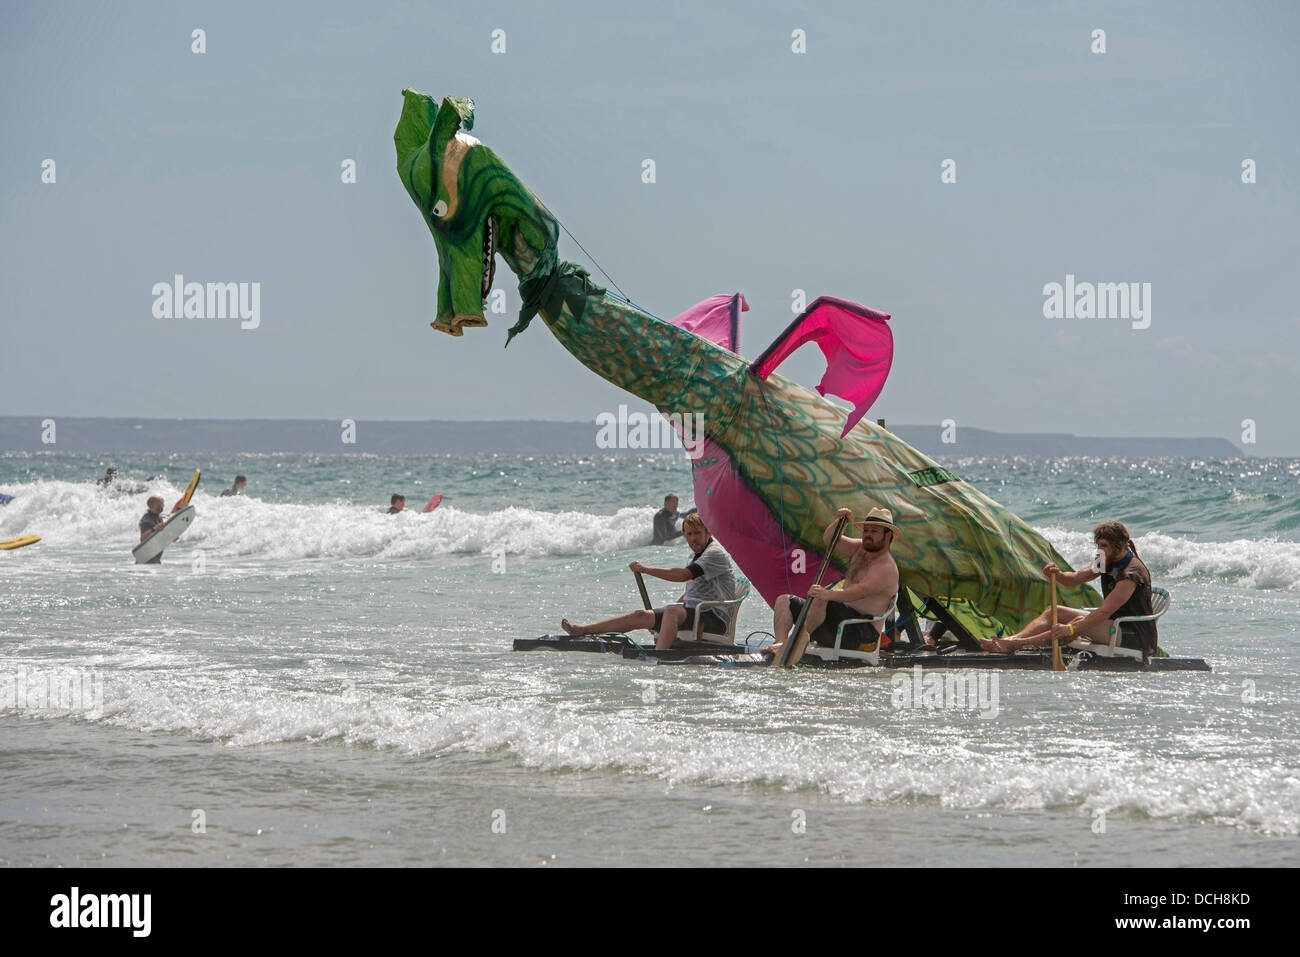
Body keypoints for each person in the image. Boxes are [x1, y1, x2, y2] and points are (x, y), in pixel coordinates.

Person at [978, 520, 1158, 657]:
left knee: (1075, 624)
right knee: (1054, 611)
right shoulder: (1106, 560)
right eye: (1098, 545)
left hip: (1133, 635)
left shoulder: (1131, 574)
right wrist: (1057, 574)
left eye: (1104, 546)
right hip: (1112, 625)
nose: (1099, 550)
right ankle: (1009, 641)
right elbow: (1077, 578)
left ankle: (1013, 646)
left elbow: (1104, 612)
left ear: (1119, 546)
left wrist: (1071, 630)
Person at [561, 513, 737, 650]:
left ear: (709, 532)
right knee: (641, 615)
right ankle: (583, 630)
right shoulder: (695, 554)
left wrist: (645, 570)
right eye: (689, 534)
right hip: (695, 612)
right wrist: (665, 620)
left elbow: (683, 575)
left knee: (671, 612)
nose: (693, 538)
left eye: (697, 533)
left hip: (713, 618)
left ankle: (659, 657)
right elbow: (696, 589)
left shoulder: (715, 553)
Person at [764, 507, 901, 658]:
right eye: (866, 530)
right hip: (838, 623)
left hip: (860, 632)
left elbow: (860, 591)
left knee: (822, 597)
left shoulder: (886, 567)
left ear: (888, 536)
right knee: (784, 601)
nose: (868, 535)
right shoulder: (859, 548)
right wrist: (840, 522)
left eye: (874, 531)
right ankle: (781, 645)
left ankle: (793, 643)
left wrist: (827, 594)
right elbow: (830, 539)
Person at [138, 496, 167, 564]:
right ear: (152, 505)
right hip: (147, 557)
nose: (162, 506)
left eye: (162, 504)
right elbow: (142, 538)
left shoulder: (159, 518)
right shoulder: (146, 520)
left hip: (156, 556)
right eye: (159, 505)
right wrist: (154, 529)